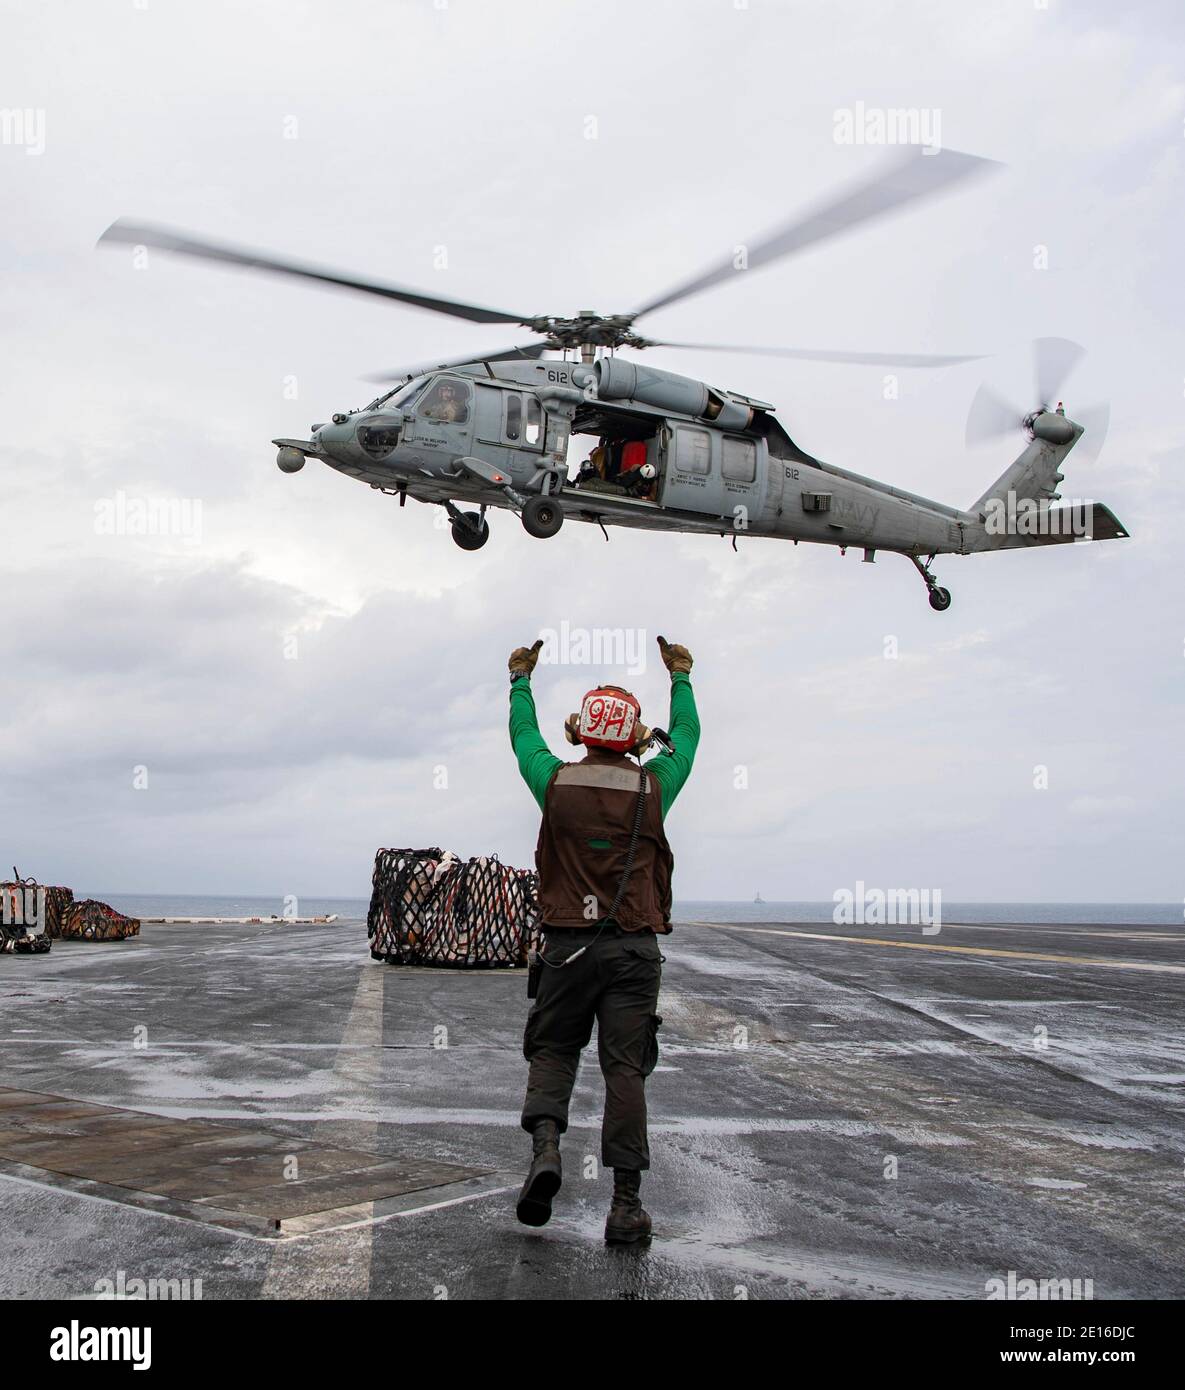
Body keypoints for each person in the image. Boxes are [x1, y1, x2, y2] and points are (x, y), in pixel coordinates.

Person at [506, 634, 699, 1244]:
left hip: (566, 947)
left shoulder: (555, 783)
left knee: (555, 1050)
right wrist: (682, 678)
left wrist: (519, 681)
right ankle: (624, 1206)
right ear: (634, 736)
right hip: (633, 951)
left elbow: (524, 741)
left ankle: (546, 1153)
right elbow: (687, 740)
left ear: (583, 733)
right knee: (625, 1070)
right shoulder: (654, 786)